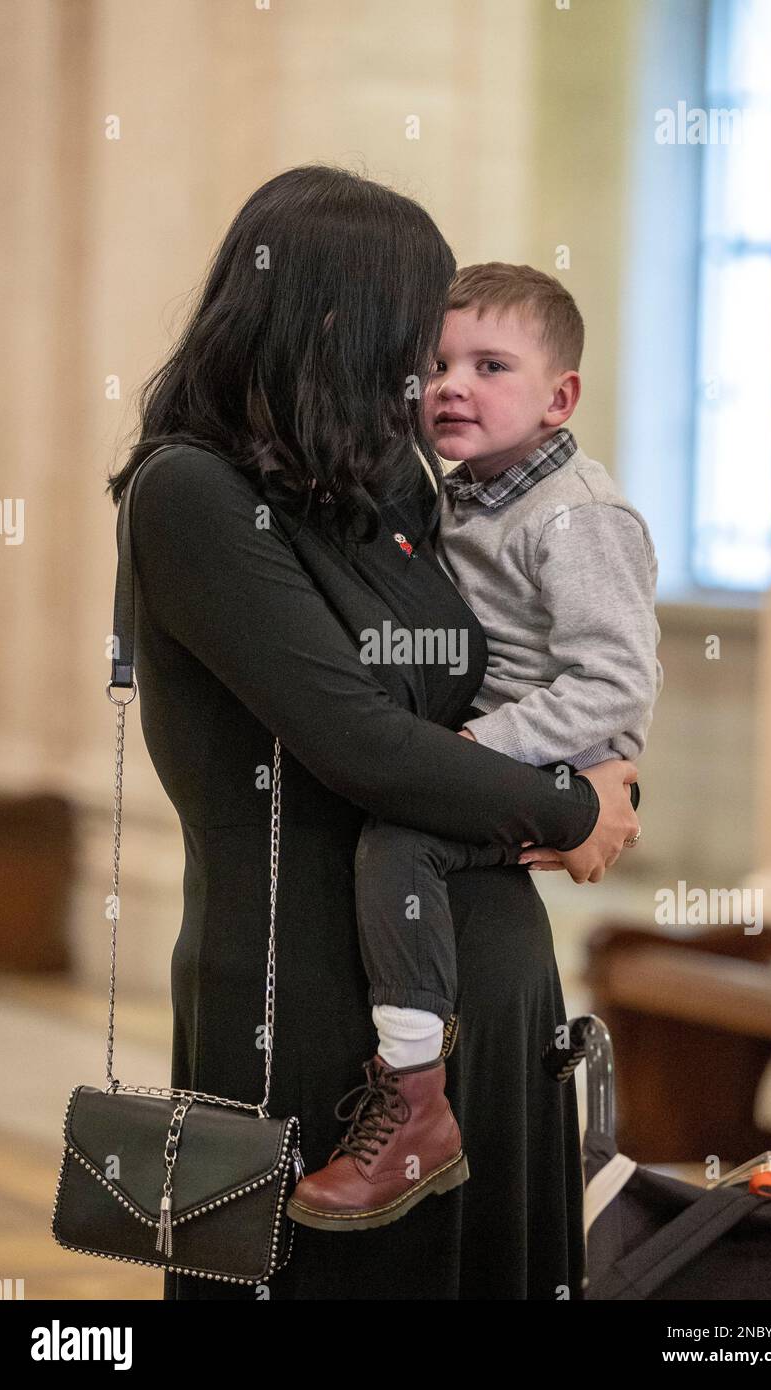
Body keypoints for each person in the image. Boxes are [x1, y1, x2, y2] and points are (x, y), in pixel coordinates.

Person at [107, 164, 640, 1300]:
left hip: (483, 983)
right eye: (416, 338)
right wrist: (578, 806)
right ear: (333, 323)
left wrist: (609, 760)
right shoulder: (191, 493)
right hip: (304, 1005)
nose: (430, 373)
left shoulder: (389, 485)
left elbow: (515, 671)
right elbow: (357, 741)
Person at [288, 263, 660, 1232]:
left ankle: (413, 1102)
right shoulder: (458, 495)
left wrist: (472, 746)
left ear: (558, 396)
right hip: (494, 752)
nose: (452, 385)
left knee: (397, 843)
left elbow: (613, 681)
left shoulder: (575, 515)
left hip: (536, 755)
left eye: (490, 365)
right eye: (437, 364)